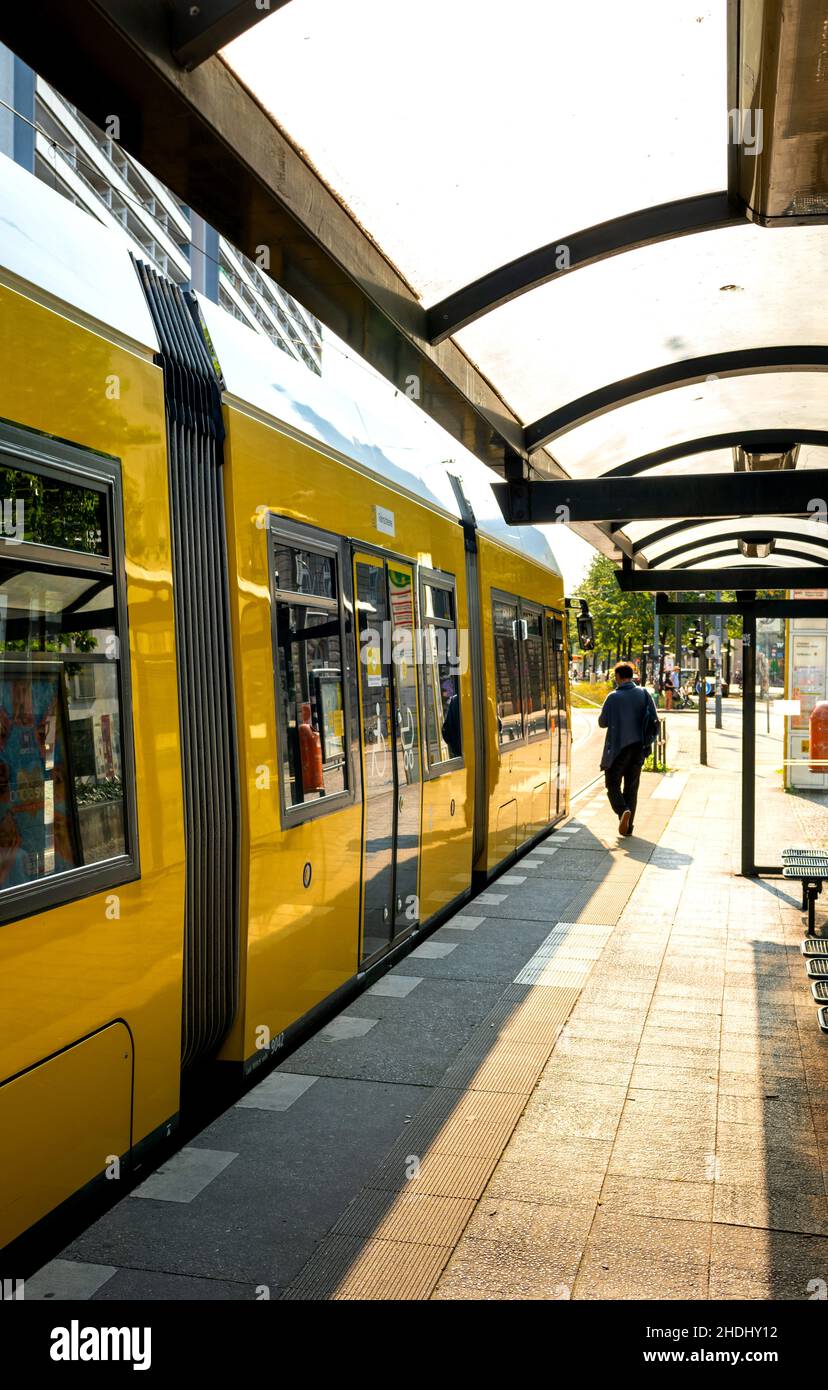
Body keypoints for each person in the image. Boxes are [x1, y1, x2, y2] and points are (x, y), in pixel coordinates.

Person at [598, 661, 660, 837]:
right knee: (631, 788)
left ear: (618, 677)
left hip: (618, 749)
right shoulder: (644, 694)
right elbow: (654, 719)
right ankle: (628, 827)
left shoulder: (613, 697)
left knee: (612, 784)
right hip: (640, 748)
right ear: (631, 676)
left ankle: (622, 810)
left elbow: (602, 723)